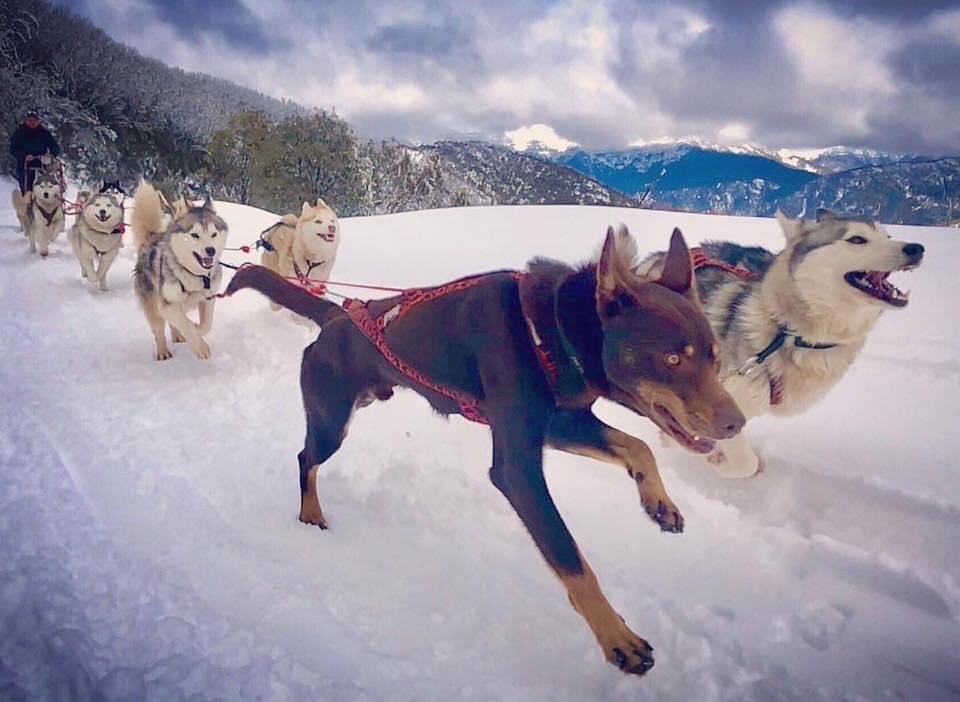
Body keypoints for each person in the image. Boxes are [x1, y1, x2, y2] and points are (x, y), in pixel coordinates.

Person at [9, 110, 61, 195]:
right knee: (27, 190)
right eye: (30, 120)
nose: (32, 122)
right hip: (24, 165)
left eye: (34, 120)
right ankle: (27, 203)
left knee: (45, 186)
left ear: (38, 121)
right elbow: (13, 149)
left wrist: (50, 154)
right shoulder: (19, 134)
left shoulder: (45, 133)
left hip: (42, 164)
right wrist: (24, 155)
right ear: (26, 121)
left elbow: (55, 147)